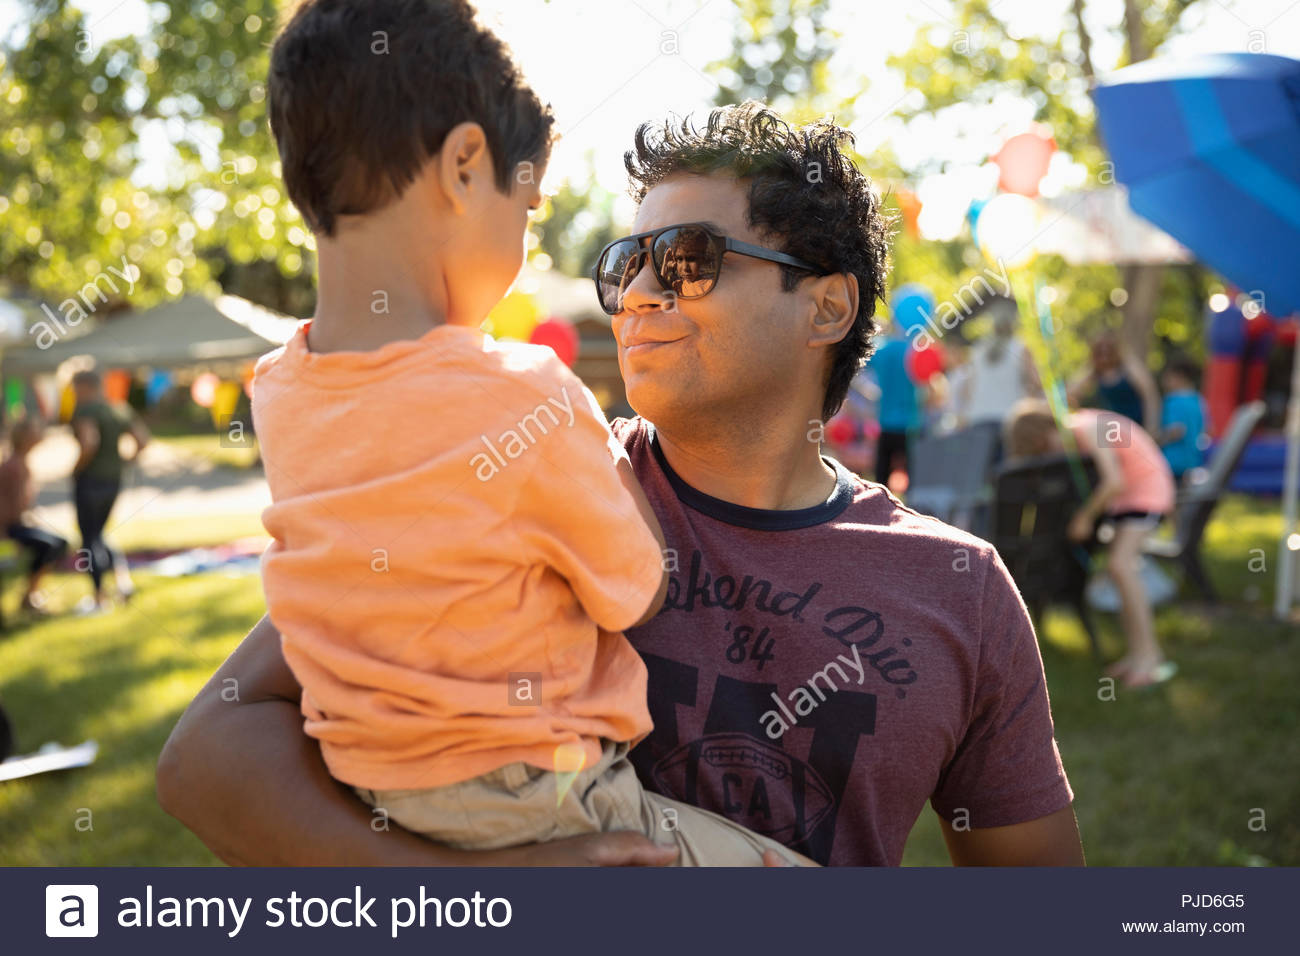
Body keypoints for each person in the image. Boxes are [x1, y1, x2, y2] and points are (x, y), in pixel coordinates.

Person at [159, 100, 1085, 868]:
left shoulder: (960, 591)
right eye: (624, 263)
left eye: (686, 259)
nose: (638, 293)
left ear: (826, 305)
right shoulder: (505, 469)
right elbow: (209, 756)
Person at [245, 0, 807, 867]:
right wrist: (602, 454)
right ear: (467, 164)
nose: (524, 241)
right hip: (540, 797)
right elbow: (637, 591)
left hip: (370, 789)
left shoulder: (283, 385)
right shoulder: (522, 397)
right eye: (530, 209)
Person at [1003, 400, 1177, 689]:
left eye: (1046, 448)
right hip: (1128, 501)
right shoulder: (1079, 429)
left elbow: (1114, 482)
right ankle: (1136, 655)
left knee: (1121, 566)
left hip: (1146, 495)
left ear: (1043, 435)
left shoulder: (1089, 428)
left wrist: (1084, 518)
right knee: (1117, 570)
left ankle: (1151, 656)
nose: (1053, 453)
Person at [69, 369, 148, 612]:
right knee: (101, 533)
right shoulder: (118, 408)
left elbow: (89, 442)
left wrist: (77, 468)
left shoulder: (86, 410)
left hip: (90, 479)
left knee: (90, 538)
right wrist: (125, 461)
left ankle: (99, 598)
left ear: (84, 387)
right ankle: (123, 582)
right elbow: (142, 439)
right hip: (114, 479)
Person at [0, 418, 67, 616]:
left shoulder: (21, 463)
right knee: (50, 545)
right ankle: (29, 597)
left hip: (16, 525)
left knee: (58, 542)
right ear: (25, 437)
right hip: (6, 530)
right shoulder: (12, 467)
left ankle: (31, 594)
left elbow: (23, 506)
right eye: (35, 431)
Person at [961, 296, 1040, 428]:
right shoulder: (1020, 348)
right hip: (1010, 419)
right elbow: (1036, 383)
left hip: (978, 419)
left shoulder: (978, 348)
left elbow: (967, 390)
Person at [1067, 331, 1160, 434]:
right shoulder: (1096, 371)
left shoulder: (1128, 367)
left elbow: (1149, 396)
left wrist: (1151, 427)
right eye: (1100, 352)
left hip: (1136, 424)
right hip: (1113, 427)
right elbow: (1073, 390)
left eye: (1108, 350)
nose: (1104, 356)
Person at [868, 318, 922, 488]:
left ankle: (877, 508)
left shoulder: (882, 350)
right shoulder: (915, 352)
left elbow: (863, 367)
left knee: (881, 475)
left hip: (885, 421)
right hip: (910, 423)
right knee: (914, 477)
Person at [1157, 356, 1208, 482]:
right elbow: (1207, 429)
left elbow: (1177, 431)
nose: (1164, 382)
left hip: (1172, 462)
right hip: (1193, 461)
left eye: (1167, 378)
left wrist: (1155, 441)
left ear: (1179, 376)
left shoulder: (1173, 400)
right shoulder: (1198, 400)